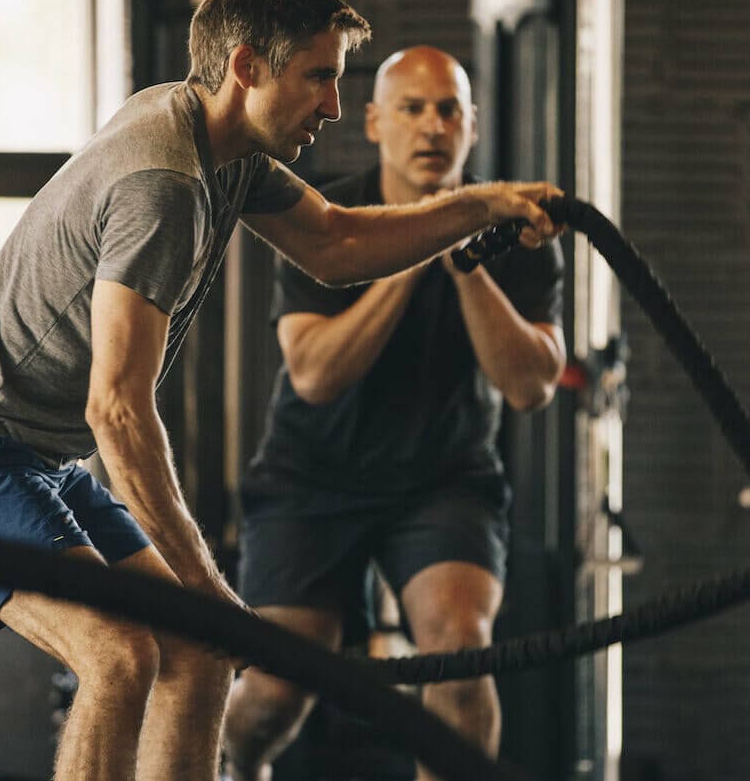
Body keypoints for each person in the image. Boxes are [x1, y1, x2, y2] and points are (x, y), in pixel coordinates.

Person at [0, 0, 564, 781]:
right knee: (120, 654)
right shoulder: (162, 182)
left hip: (36, 460)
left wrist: (481, 205)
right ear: (246, 66)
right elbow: (119, 414)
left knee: (198, 652)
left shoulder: (224, 145)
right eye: (319, 77)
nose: (333, 107)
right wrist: (203, 579)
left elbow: (338, 243)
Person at [223, 46, 567, 781]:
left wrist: (463, 254)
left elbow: (531, 386)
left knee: (461, 657)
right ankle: (233, 764)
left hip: (442, 479)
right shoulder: (319, 220)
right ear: (375, 123)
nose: (431, 126)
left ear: (471, 127)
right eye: (412, 108)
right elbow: (314, 374)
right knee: (275, 692)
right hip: (310, 478)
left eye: (448, 110)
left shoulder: (513, 232)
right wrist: (413, 246)